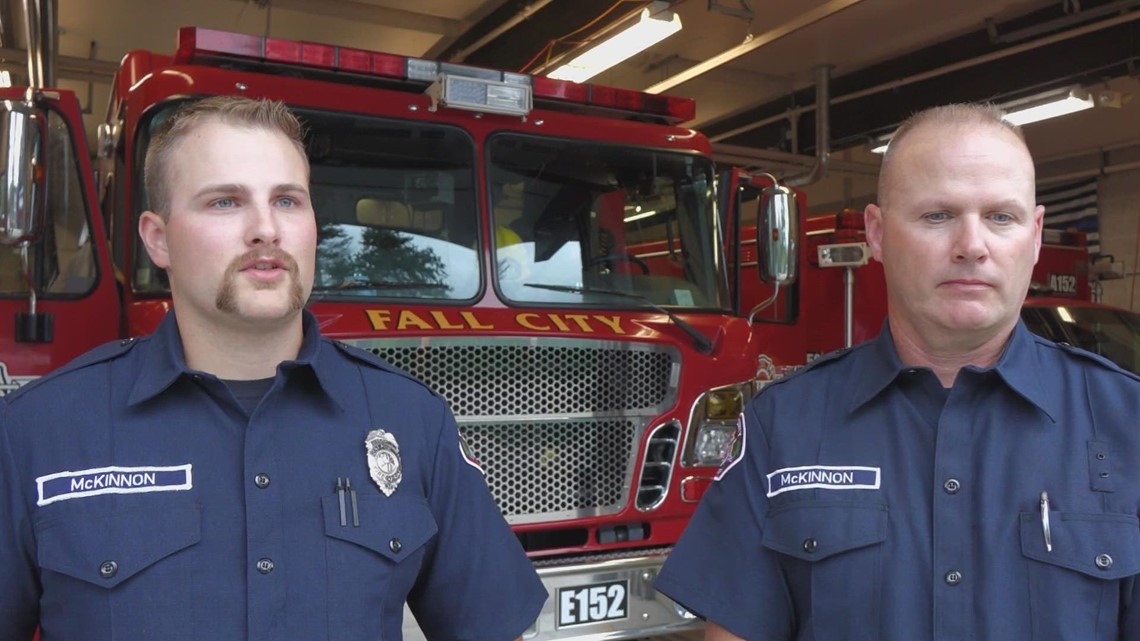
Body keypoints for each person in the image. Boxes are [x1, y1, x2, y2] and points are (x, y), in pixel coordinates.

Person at [0, 96, 546, 641]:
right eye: (225, 202)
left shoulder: (411, 422)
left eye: (287, 200)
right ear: (158, 239)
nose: (266, 229)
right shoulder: (35, 434)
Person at [654, 103, 1140, 640]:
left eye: (1001, 217)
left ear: (1036, 233)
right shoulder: (783, 427)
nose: (972, 246)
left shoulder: (1127, 424)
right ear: (877, 234)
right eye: (938, 216)